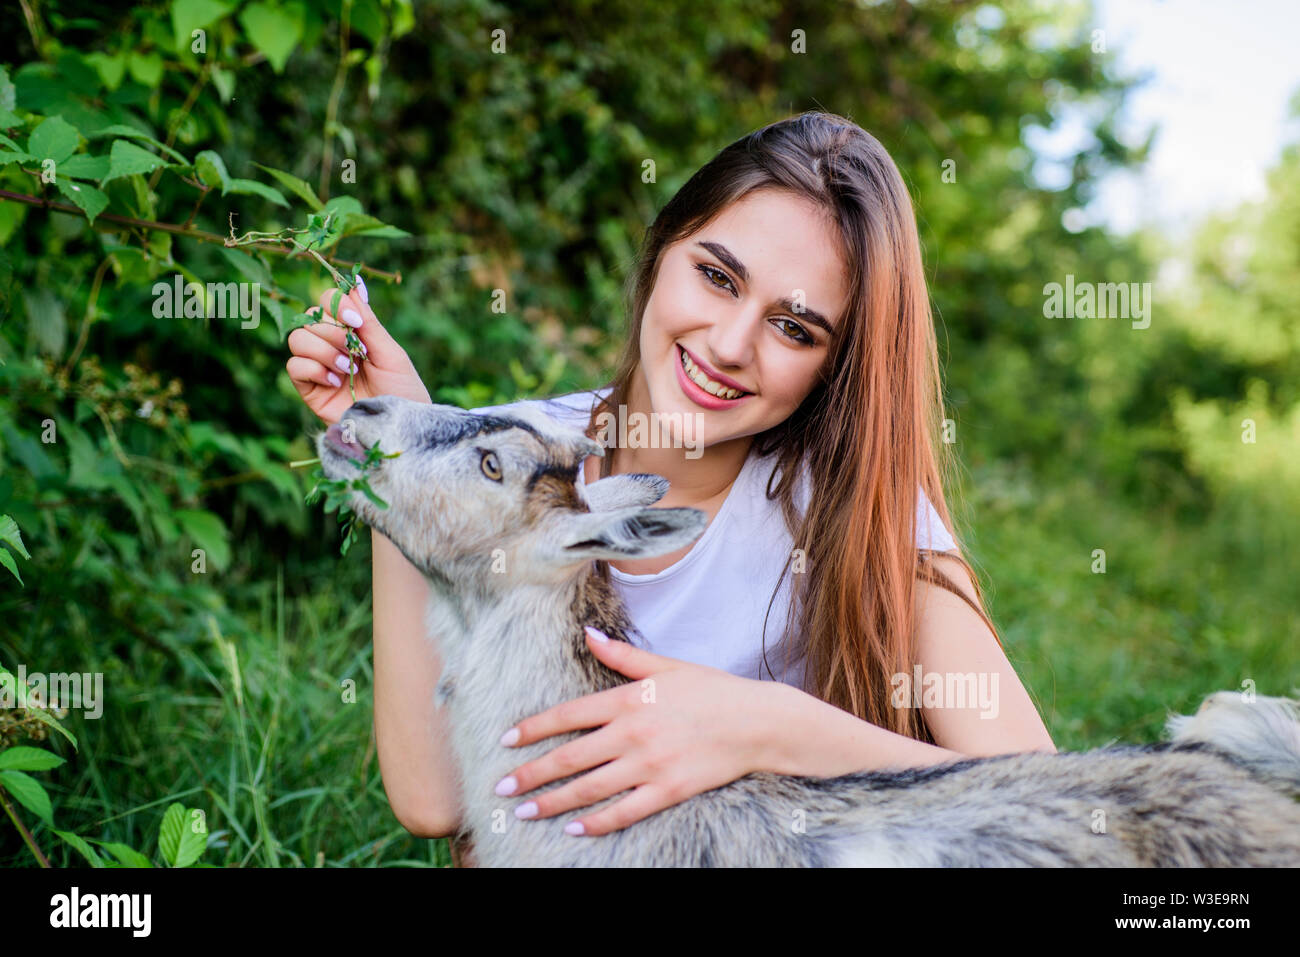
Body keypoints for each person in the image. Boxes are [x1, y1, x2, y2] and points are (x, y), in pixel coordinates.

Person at [286, 111, 1056, 868]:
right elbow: (435, 802)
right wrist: (400, 470)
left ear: (835, 366)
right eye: (717, 276)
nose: (728, 345)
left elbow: (1043, 800)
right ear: (662, 250)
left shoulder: (857, 514)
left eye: (795, 328)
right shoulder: (516, 459)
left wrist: (768, 728)